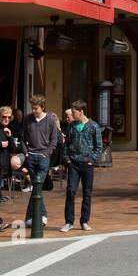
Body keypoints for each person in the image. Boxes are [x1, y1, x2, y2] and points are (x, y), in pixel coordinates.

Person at [61, 99, 103, 232]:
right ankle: (69, 221)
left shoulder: (93, 126)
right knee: (71, 191)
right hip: (73, 163)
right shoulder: (71, 126)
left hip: (87, 164)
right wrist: (67, 159)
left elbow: (99, 146)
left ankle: (84, 221)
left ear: (81, 112)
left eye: (74, 113)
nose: (72, 115)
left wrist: (92, 159)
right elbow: (66, 144)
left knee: (87, 193)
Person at [21, 94, 61, 226]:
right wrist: (26, 153)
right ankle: (33, 217)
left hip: (43, 158)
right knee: (35, 188)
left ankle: (39, 216)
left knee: (37, 187)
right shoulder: (28, 119)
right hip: (31, 157)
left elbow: (54, 140)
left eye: (36, 108)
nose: (33, 111)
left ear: (42, 107)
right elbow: (22, 137)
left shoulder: (50, 120)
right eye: (32, 108)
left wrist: (46, 154)